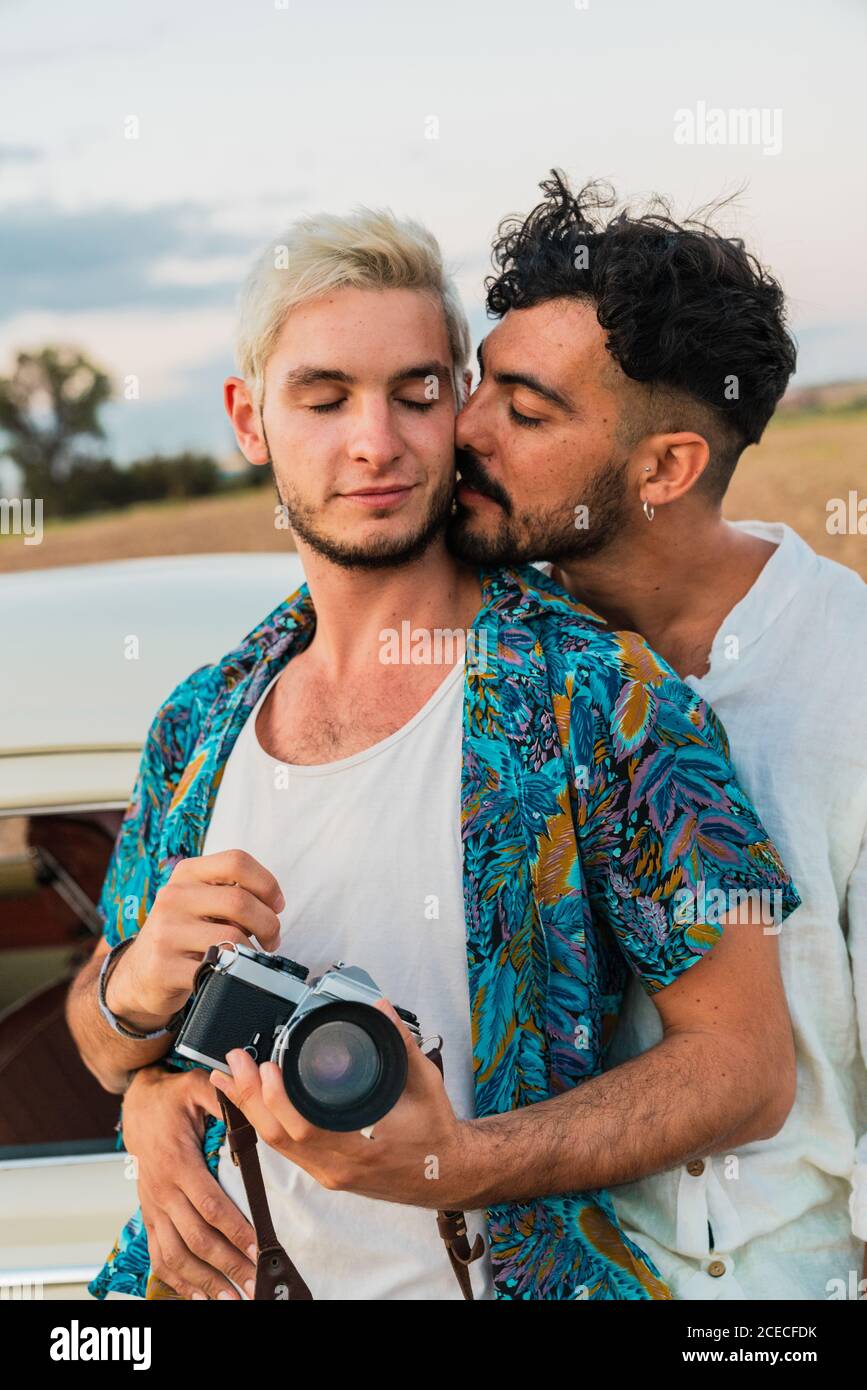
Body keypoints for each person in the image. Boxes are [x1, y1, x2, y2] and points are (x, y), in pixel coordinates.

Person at [67, 204, 798, 1302]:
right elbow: (101, 1031)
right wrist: (132, 1008)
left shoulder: (597, 696)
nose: (378, 441)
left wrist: (450, 1165)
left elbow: (746, 1068)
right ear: (248, 419)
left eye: (417, 392)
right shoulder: (199, 721)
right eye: (323, 397)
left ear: (457, 401)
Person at [448, 171, 867, 1300]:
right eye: (479, 386)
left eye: (527, 414)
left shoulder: (854, 688)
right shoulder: (479, 657)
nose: (464, 429)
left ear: (668, 467)